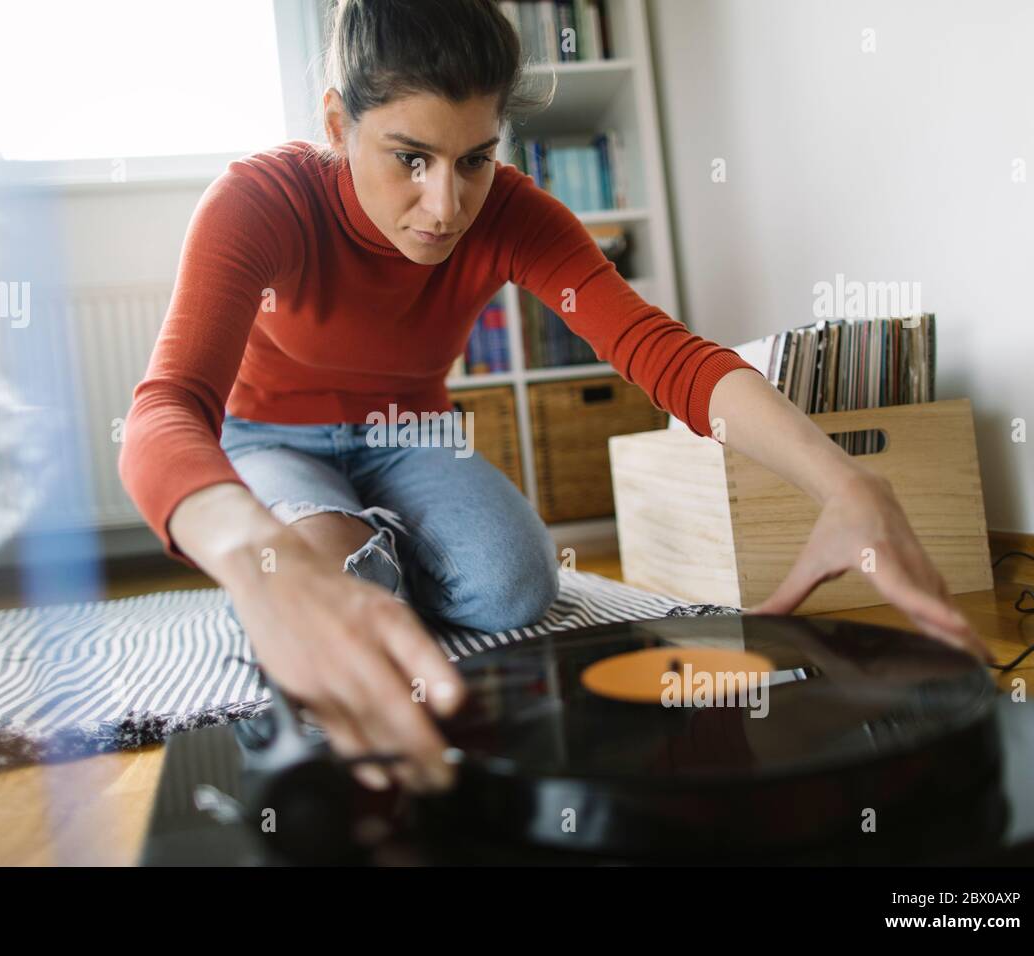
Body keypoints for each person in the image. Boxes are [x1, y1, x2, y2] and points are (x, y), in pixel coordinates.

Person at [119, 0, 989, 795]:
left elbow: (662, 354)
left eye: (474, 160)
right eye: (409, 159)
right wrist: (247, 554)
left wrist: (845, 483)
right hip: (271, 435)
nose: (444, 205)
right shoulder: (259, 202)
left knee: (513, 587)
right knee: (331, 578)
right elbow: (164, 409)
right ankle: (339, 547)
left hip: (412, 433)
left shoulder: (512, 214)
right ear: (338, 122)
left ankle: (359, 545)